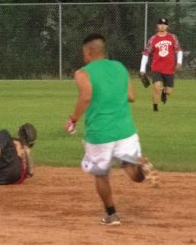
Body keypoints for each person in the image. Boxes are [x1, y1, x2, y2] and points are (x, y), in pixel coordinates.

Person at [65, 33, 159, 226]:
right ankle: (141, 166)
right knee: (131, 170)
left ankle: (112, 215)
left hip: (100, 133)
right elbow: (131, 97)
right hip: (125, 129)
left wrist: (73, 119)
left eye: (84, 52)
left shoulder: (83, 73)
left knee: (101, 174)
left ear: (89, 51)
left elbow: (86, 96)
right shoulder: (119, 67)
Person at [140, 18, 183, 111]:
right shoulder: (153, 39)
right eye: (160, 24)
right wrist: (142, 69)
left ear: (167, 26)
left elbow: (178, 51)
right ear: (157, 26)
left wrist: (179, 62)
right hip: (157, 68)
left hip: (169, 68)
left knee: (169, 91)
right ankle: (155, 107)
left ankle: (164, 93)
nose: (162, 26)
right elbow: (146, 54)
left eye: (164, 24)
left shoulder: (173, 37)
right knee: (156, 87)